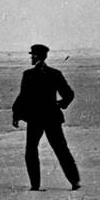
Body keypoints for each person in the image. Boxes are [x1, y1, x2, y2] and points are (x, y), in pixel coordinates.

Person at [12, 44, 80, 191]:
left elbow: (23, 97)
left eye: (32, 55)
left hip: (35, 118)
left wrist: (16, 114)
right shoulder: (54, 74)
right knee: (61, 150)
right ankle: (75, 182)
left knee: (31, 151)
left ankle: (35, 185)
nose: (31, 58)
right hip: (51, 117)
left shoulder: (28, 75)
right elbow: (69, 94)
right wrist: (60, 104)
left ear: (37, 56)